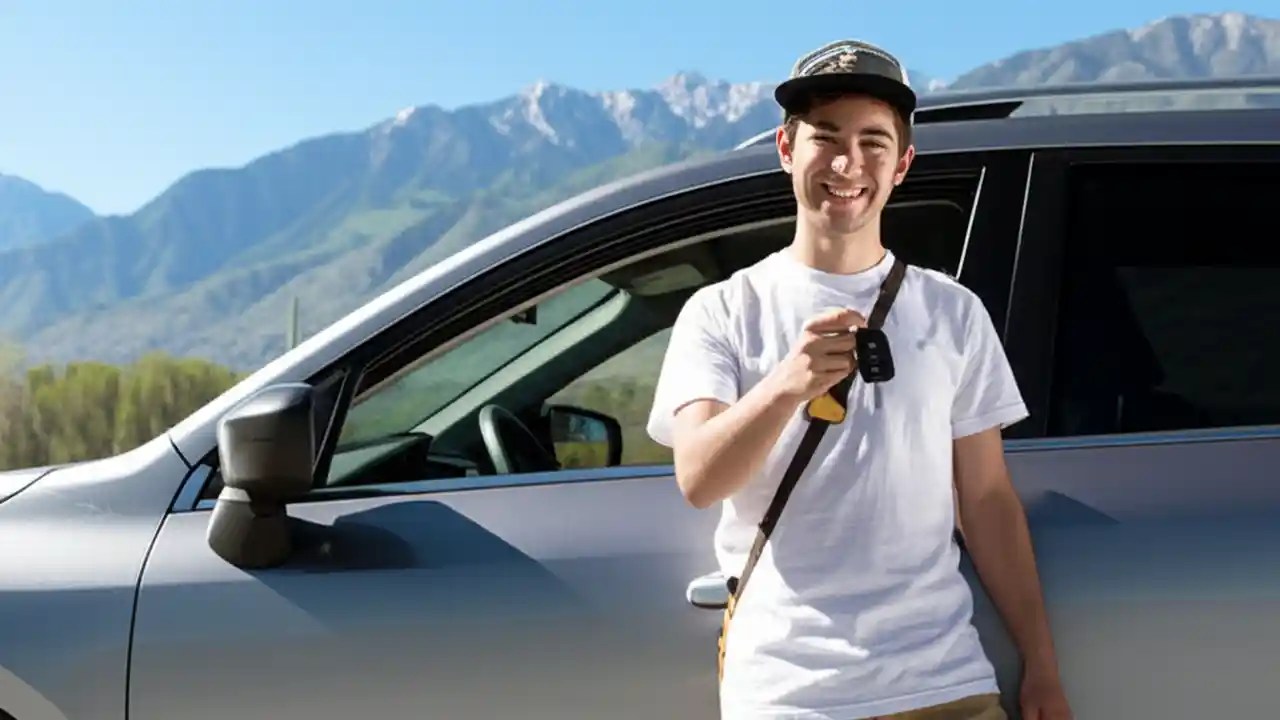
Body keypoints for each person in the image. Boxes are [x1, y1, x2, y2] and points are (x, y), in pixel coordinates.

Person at [646, 39, 1073, 720]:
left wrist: (1042, 666)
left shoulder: (952, 312)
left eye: (874, 142)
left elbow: (988, 501)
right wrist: (786, 385)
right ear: (788, 149)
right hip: (789, 693)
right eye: (826, 137)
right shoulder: (724, 310)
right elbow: (699, 478)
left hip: (944, 684)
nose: (848, 164)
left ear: (902, 164)